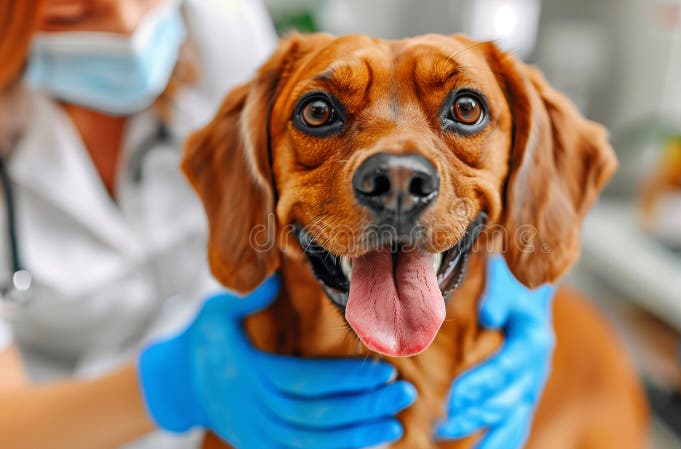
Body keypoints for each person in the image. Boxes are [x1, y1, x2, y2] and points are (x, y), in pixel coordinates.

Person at [0, 1, 556, 448]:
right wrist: (173, 384)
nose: (126, 19)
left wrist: (529, 255)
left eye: (464, 110)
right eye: (76, 12)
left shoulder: (213, 21)